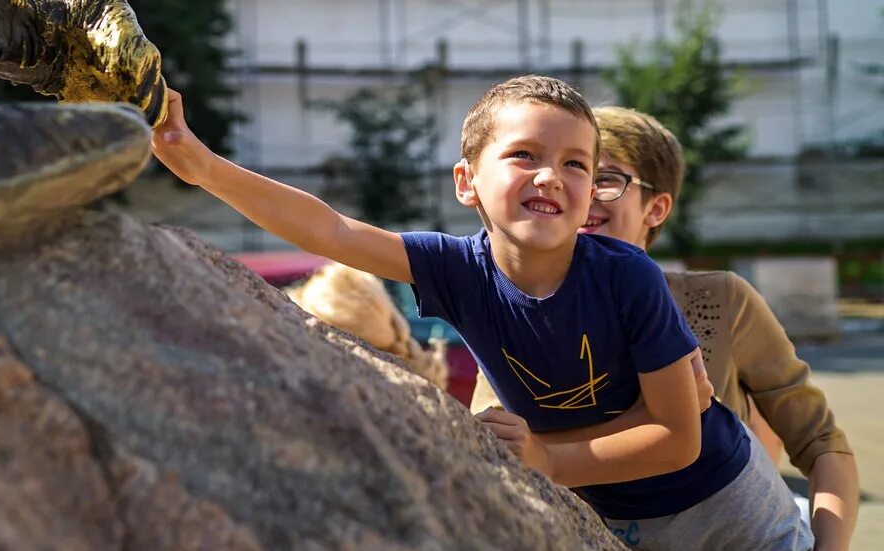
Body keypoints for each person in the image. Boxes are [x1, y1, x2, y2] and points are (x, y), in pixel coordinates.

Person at [153, 75, 810, 550]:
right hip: (615, 521)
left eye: (575, 164)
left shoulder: (626, 277)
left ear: (588, 199)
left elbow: (679, 435)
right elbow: (333, 230)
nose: (551, 174)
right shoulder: (458, 269)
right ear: (466, 181)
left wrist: (546, 459)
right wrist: (203, 166)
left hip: (731, 513)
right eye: (525, 154)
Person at [471, 105, 857, 549]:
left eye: (606, 178)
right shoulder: (514, 309)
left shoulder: (721, 300)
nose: (579, 188)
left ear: (656, 208)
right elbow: (495, 447)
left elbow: (823, 444)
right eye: (575, 169)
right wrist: (654, 421)